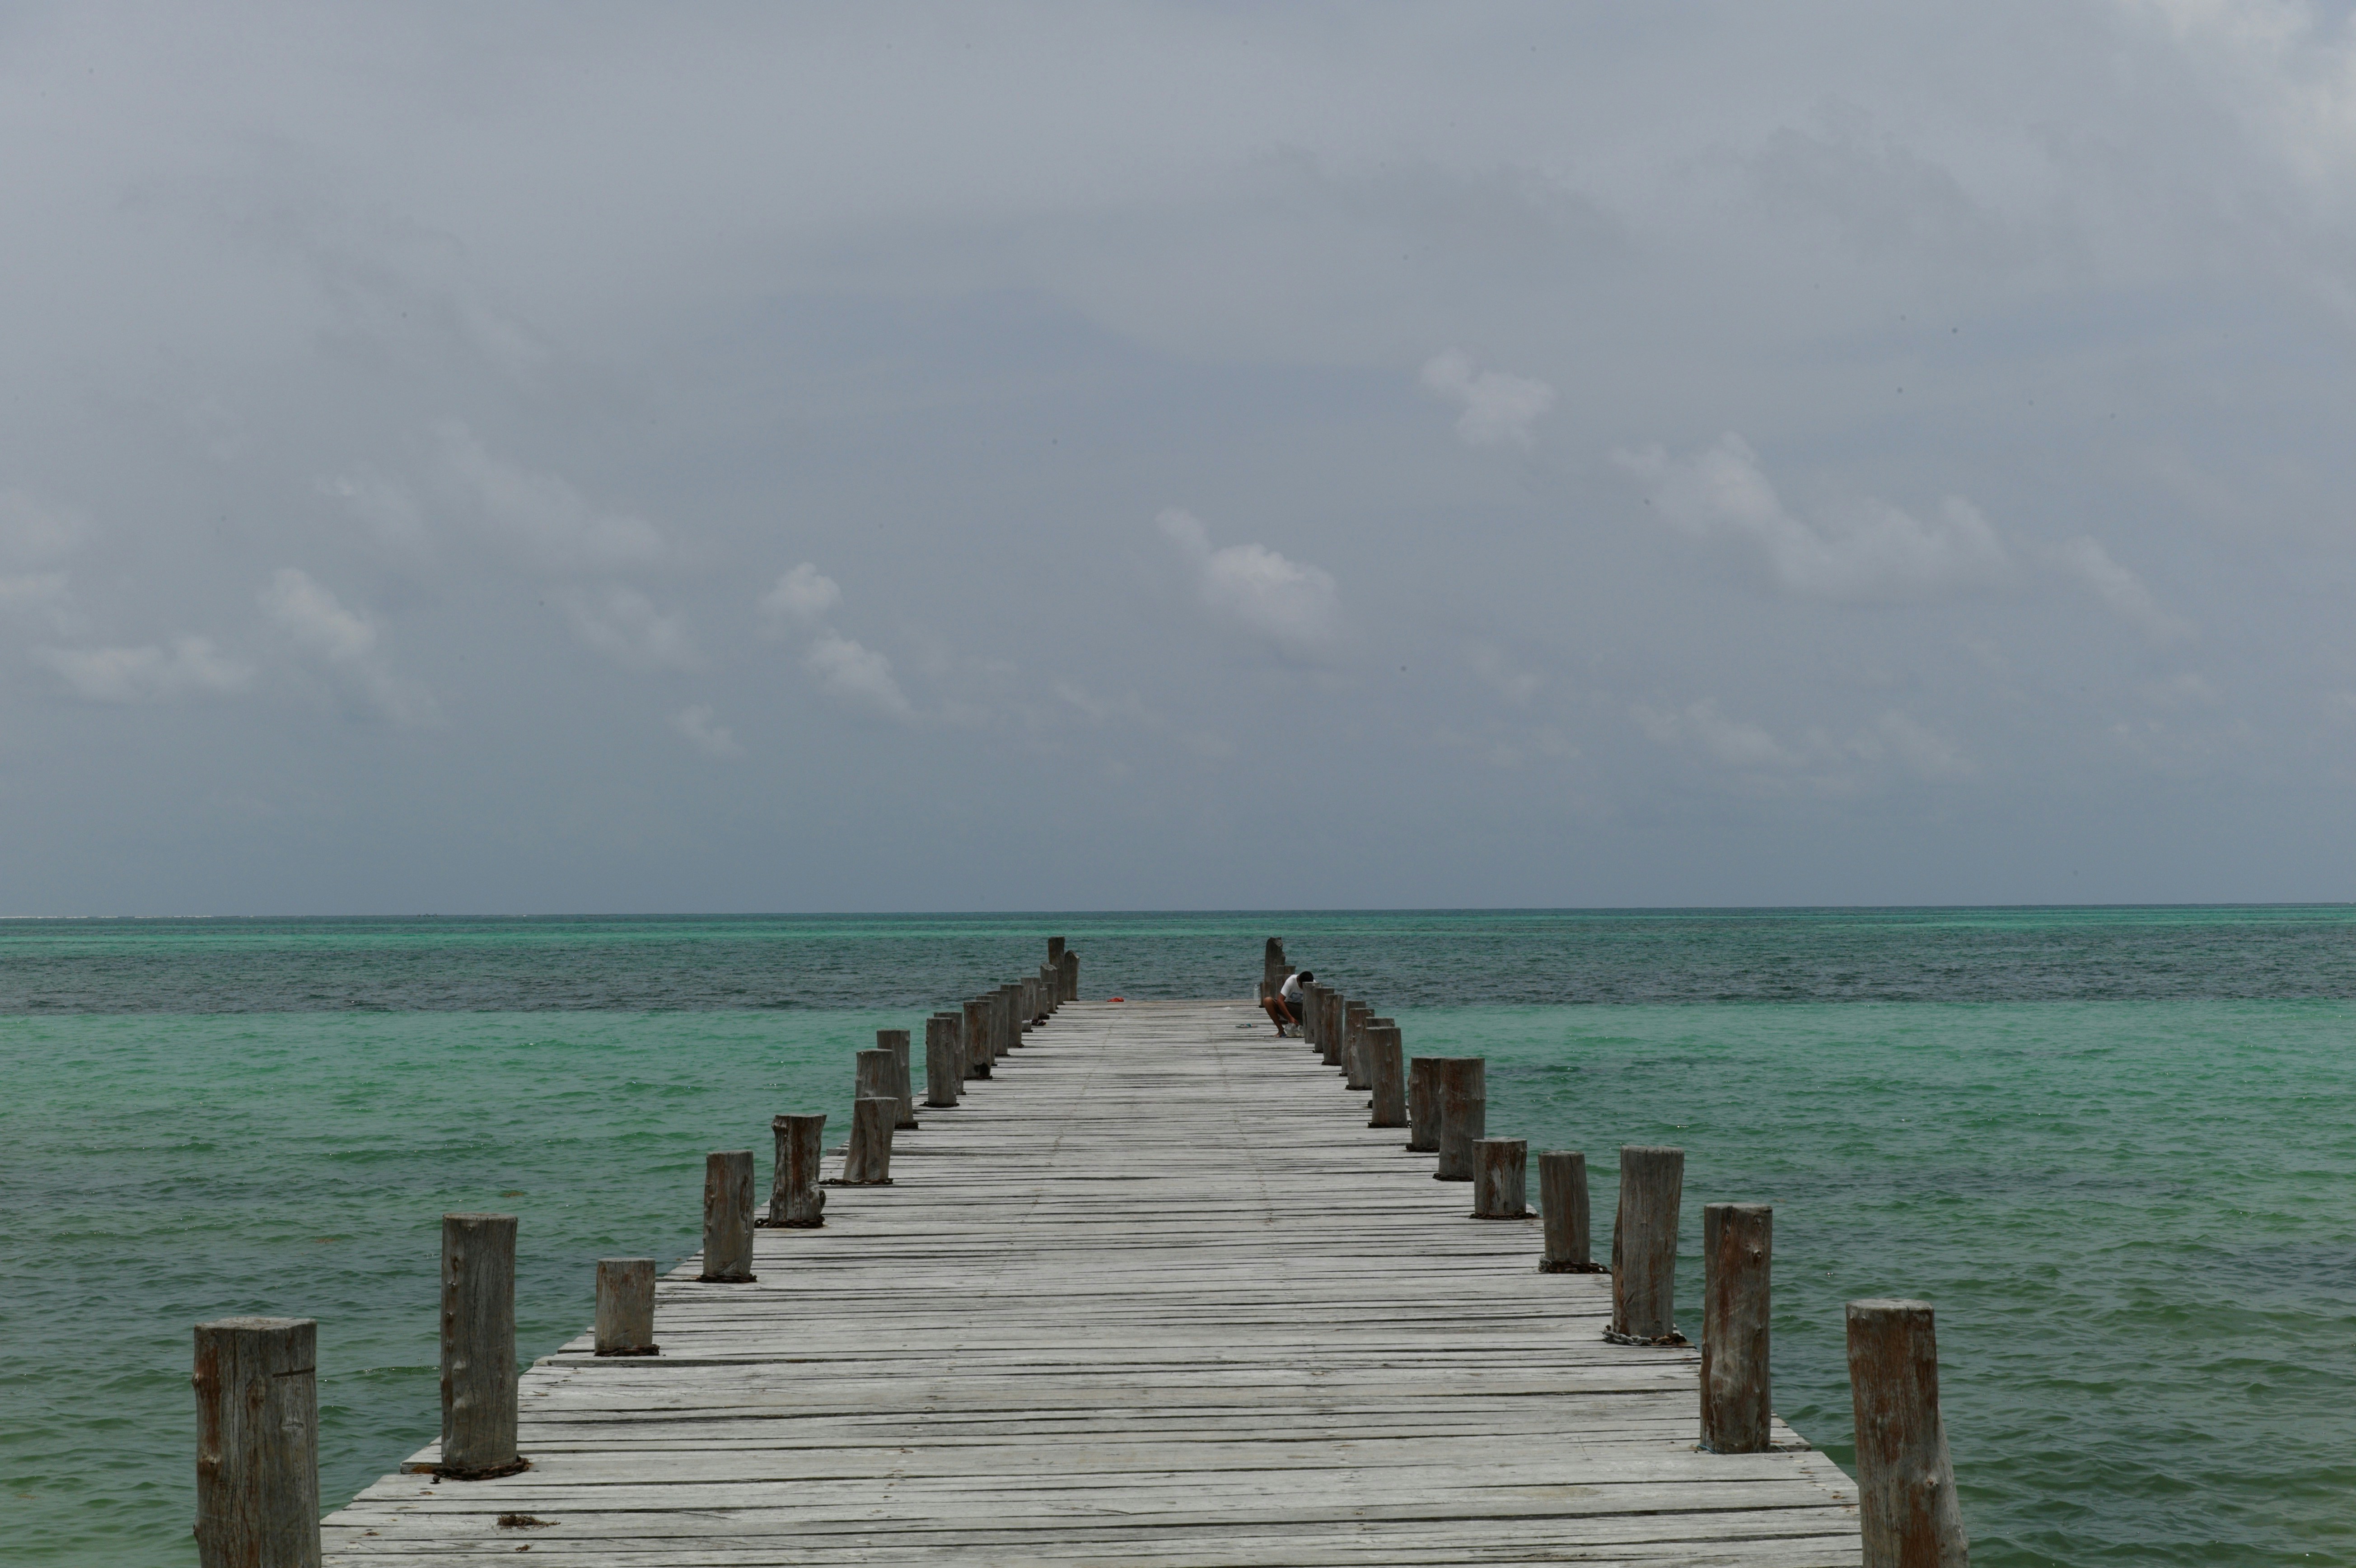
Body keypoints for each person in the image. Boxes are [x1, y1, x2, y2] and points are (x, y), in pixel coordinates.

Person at [1263, 969, 1313, 1036]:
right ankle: (1281, 1030)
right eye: (1302, 986)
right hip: (1290, 1007)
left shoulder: (1313, 984)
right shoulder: (1291, 981)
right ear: (1298, 979)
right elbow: (1280, 1000)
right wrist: (1290, 1017)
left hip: (1304, 1008)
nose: (1303, 989)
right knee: (1268, 1001)